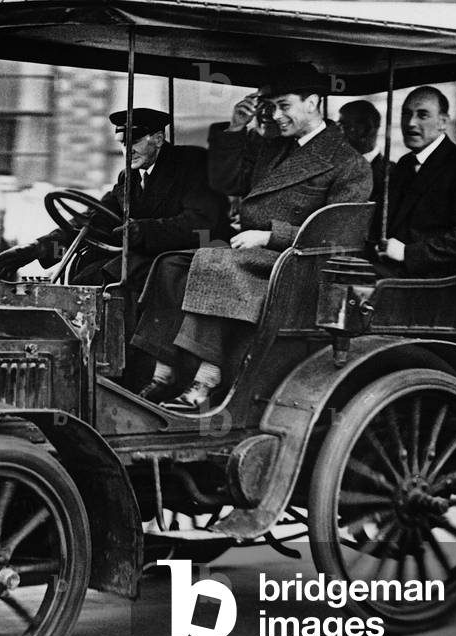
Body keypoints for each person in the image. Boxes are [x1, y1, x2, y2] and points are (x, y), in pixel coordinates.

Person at [132, 64, 372, 407]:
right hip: (254, 252)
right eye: (272, 107)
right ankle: (163, 370)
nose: (277, 115)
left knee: (215, 261)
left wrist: (269, 237)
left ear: (313, 102)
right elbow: (227, 183)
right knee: (170, 264)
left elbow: (338, 238)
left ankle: (206, 378)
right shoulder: (273, 147)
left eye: (284, 106)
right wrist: (234, 129)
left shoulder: (348, 164)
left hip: (298, 264)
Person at [0, 107, 230, 300]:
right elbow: (96, 218)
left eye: (134, 142)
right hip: (151, 255)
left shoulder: (191, 163)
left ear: (158, 139)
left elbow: (202, 222)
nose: (128, 151)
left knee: (114, 272)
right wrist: (38, 248)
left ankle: (127, 350)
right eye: (123, 143)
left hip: (193, 253)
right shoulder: (129, 177)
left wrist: (143, 231)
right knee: (85, 267)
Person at [375, 86, 456, 277]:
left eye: (423, 115)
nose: (411, 123)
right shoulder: (405, 164)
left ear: (443, 122)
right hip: (392, 272)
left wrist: (407, 253)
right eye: (406, 114)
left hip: (433, 282)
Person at [338, 99, 393, 208]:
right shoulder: (338, 166)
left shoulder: (390, 174)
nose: (338, 133)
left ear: (363, 130)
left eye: (343, 126)